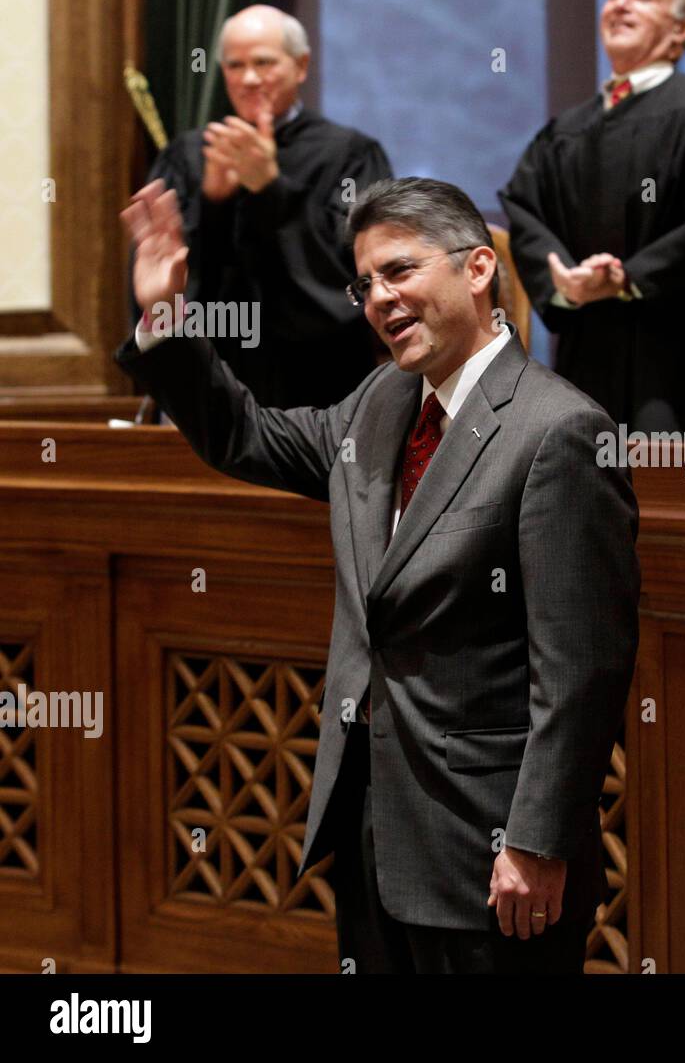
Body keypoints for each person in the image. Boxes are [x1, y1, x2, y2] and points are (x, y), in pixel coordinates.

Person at [116, 176, 640, 974]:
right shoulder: (381, 404)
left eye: (399, 271)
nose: (379, 299)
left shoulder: (560, 431)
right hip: (373, 834)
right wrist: (165, 317)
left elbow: (582, 671)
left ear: (476, 269)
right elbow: (243, 435)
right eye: (365, 284)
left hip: (492, 852)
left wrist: (537, 841)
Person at [500, 0, 685, 441]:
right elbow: (524, 207)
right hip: (588, 356)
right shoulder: (565, 130)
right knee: (584, 497)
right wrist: (566, 278)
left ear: (680, 31)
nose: (620, 5)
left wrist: (631, 278)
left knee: (680, 504)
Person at [130, 4, 393, 408]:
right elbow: (176, 287)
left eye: (264, 63)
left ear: (301, 65)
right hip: (219, 377)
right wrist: (214, 204)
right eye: (235, 66)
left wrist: (272, 190)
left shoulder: (350, 155)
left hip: (323, 381)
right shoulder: (189, 155)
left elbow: (354, 278)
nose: (249, 79)